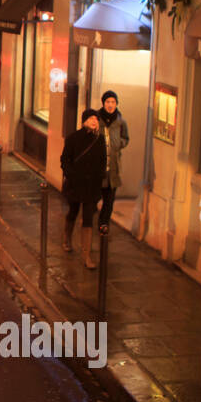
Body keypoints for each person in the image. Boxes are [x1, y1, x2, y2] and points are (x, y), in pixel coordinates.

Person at [61, 110, 106, 269]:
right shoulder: (73, 138)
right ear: (84, 121)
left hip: (91, 185)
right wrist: (71, 175)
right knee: (73, 211)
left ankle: (86, 255)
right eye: (91, 119)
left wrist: (100, 179)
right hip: (75, 183)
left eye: (96, 119)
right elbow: (64, 159)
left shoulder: (100, 139)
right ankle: (67, 238)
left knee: (88, 218)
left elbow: (102, 161)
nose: (94, 121)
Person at [97, 90, 129, 229]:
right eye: (108, 102)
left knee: (109, 201)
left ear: (116, 104)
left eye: (113, 102)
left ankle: (103, 225)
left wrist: (119, 144)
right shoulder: (97, 120)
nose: (110, 105)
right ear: (103, 103)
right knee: (94, 199)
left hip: (113, 169)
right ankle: (89, 222)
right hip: (98, 168)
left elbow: (126, 138)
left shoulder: (120, 121)